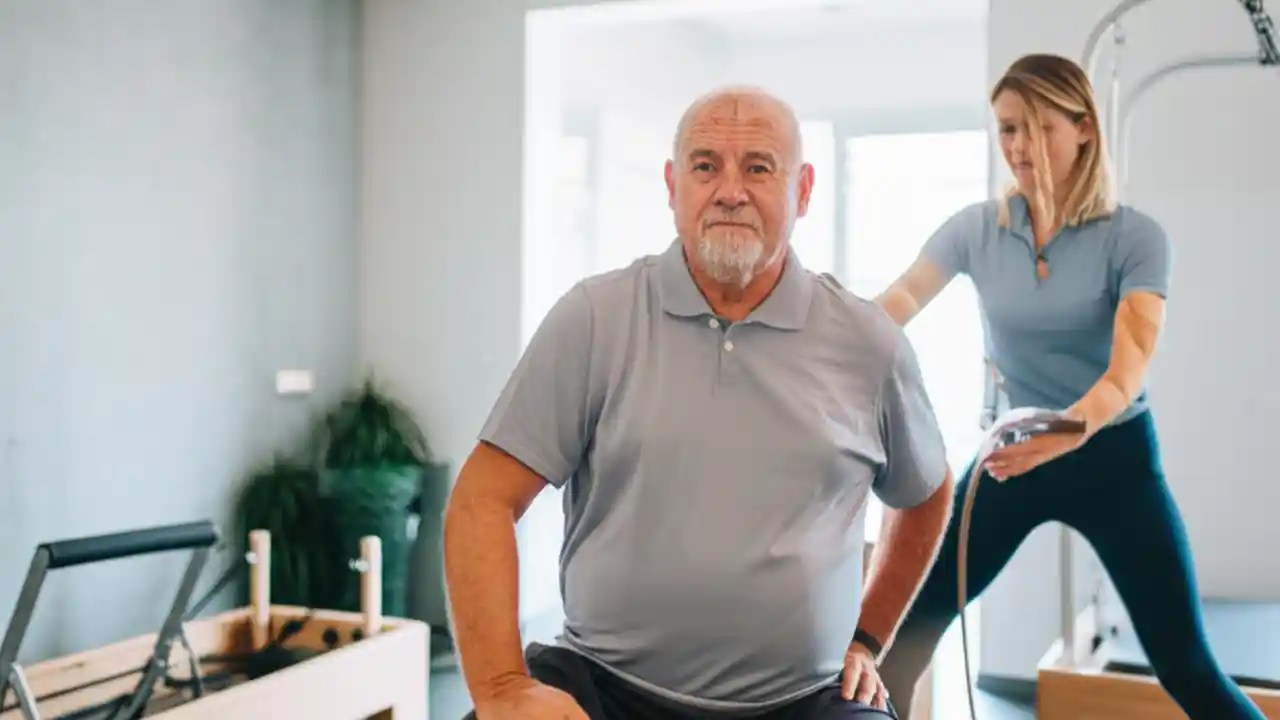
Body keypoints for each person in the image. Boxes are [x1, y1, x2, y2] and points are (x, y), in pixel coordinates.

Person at [443, 86, 956, 720]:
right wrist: (502, 688)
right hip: (602, 687)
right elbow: (482, 498)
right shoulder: (594, 319)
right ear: (673, 185)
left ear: (802, 190)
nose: (730, 191)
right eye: (706, 165)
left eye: (759, 168)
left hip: (805, 700)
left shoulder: (869, 342)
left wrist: (867, 637)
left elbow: (927, 491)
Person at [873, 53, 1267, 720]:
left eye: (1036, 128)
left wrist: (1068, 433)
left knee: (1186, 667)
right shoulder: (977, 229)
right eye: (1006, 130)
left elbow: (1126, 370)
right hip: (1014, 457)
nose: (1019, 148)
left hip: (1113, 459)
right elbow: (898, 301)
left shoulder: (1135, 238)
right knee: (900, 641)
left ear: (1084, 127)